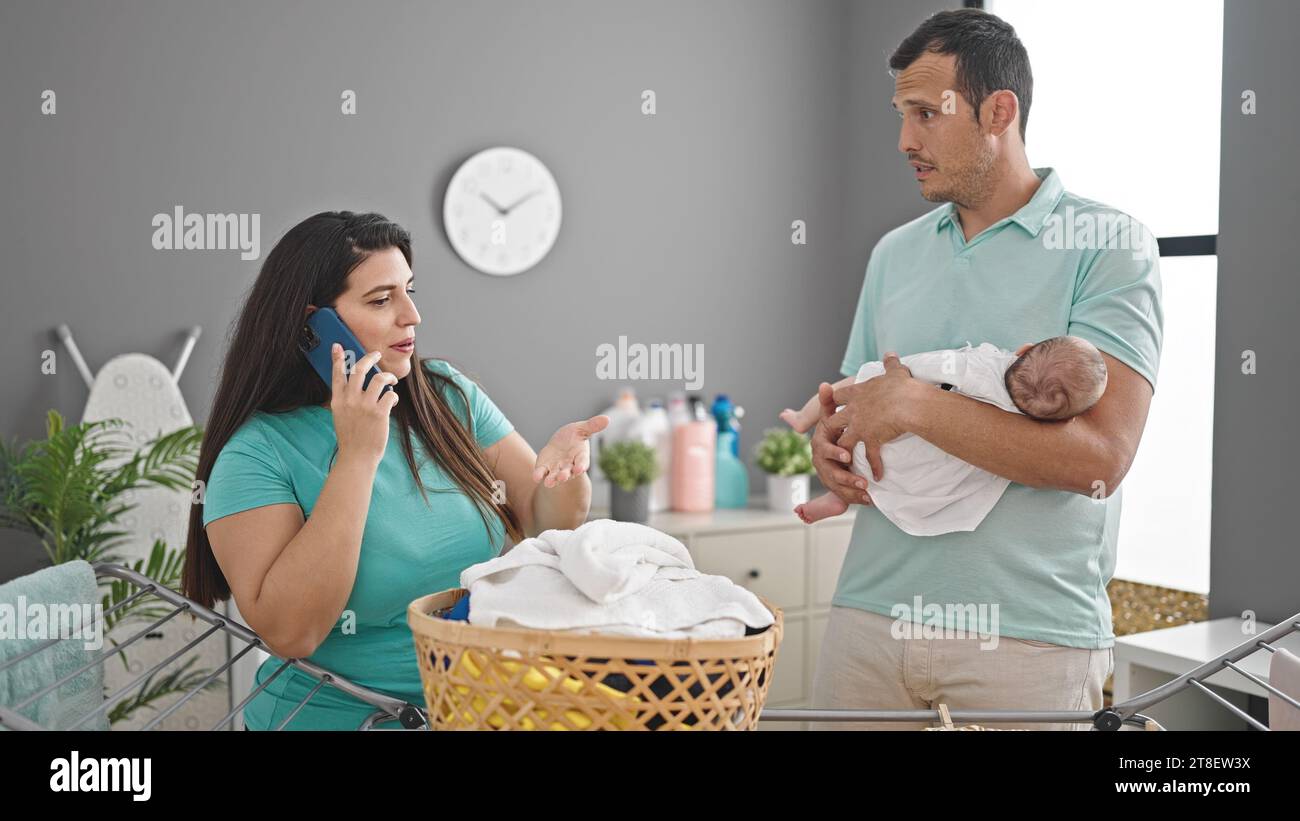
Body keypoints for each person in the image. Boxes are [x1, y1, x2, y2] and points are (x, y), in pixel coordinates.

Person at [807, 9, 1163, 730]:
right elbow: (856, 405)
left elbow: (1100, 457)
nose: (905, 140)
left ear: (999, 111)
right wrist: (830, 449)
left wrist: (918, 408)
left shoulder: (1109, 247)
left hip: (1030, 638)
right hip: (870, 616)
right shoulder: (893, 255)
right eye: (901, 114)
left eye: (926, 114)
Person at [181, 211, 607, 729]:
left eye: (408, 290)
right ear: (314, 327)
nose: (412, 315)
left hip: (472, 707)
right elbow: (292, 633)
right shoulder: (255, 455)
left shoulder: (446, 396)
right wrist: (357, 457)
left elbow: (545, 523)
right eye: (382, 300)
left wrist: (564, 473)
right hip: (331, 718)